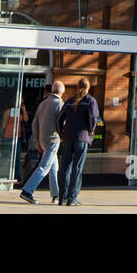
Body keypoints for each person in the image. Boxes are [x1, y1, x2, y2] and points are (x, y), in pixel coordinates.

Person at [18, 81, 64, 205]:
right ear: (62, 91)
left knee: (54, 167)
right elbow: (60, 124)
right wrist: (63, 136)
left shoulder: (43, 103)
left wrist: (38, 141)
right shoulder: (59, 104)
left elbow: (34, 124)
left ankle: (56, 195)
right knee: (44, 167)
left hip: (43, 140)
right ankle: (27, 191)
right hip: (53, 139)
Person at [55, 78, 99, 207]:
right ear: (88, 87)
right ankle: (72, 199)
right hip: (82, 137)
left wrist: (61, 134)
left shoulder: (69, 101)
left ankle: (62, 198)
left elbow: (58, 120)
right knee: (77, 168)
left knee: (65, 168)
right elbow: (93, 118)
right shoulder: (90, 101)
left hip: (67, 137)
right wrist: (91, 130)